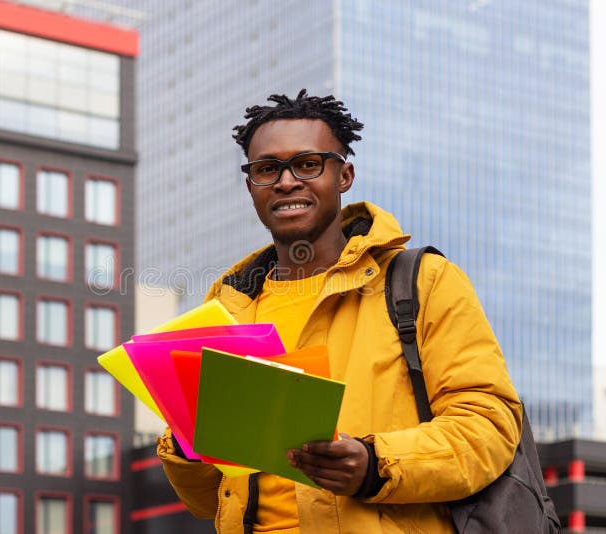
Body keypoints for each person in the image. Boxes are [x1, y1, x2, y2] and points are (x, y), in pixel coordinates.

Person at [157, 89, 522, 534]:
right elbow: (203, 499)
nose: (287, 181)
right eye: (267, 169)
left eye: (307, 164)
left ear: (344, 175)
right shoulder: (228, 308)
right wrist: (185, 435)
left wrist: (374, 464)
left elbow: (489, 426)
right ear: (251, 185)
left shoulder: (423, 281)